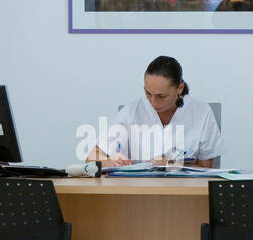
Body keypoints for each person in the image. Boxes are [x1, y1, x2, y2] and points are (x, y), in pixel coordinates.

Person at [93, 56, 222, 168]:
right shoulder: (132, 111)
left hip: (185, 191)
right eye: (148, 93)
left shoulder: (201, 112)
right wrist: (111, 162)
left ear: (180, 88)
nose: (153, 103)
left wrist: (172, 164)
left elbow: (206, 167)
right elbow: (93, 156)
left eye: (161, 96)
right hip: (139, 191)